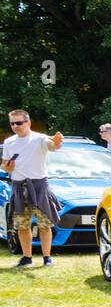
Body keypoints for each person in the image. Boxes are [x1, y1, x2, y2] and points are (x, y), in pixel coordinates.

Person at [2, 109, 64, 267]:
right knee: (22, 225)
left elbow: (52, 146)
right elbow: (4, 165)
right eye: (12, 123)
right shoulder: (9, 142)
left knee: (45, 224)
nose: (15, 126)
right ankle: (27, 257)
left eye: (19, 123)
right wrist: (8, 167)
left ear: (28, 122)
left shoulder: (39, 138)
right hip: (18, 186)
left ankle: (47, 257)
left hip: (39, 186)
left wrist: (56, 142)